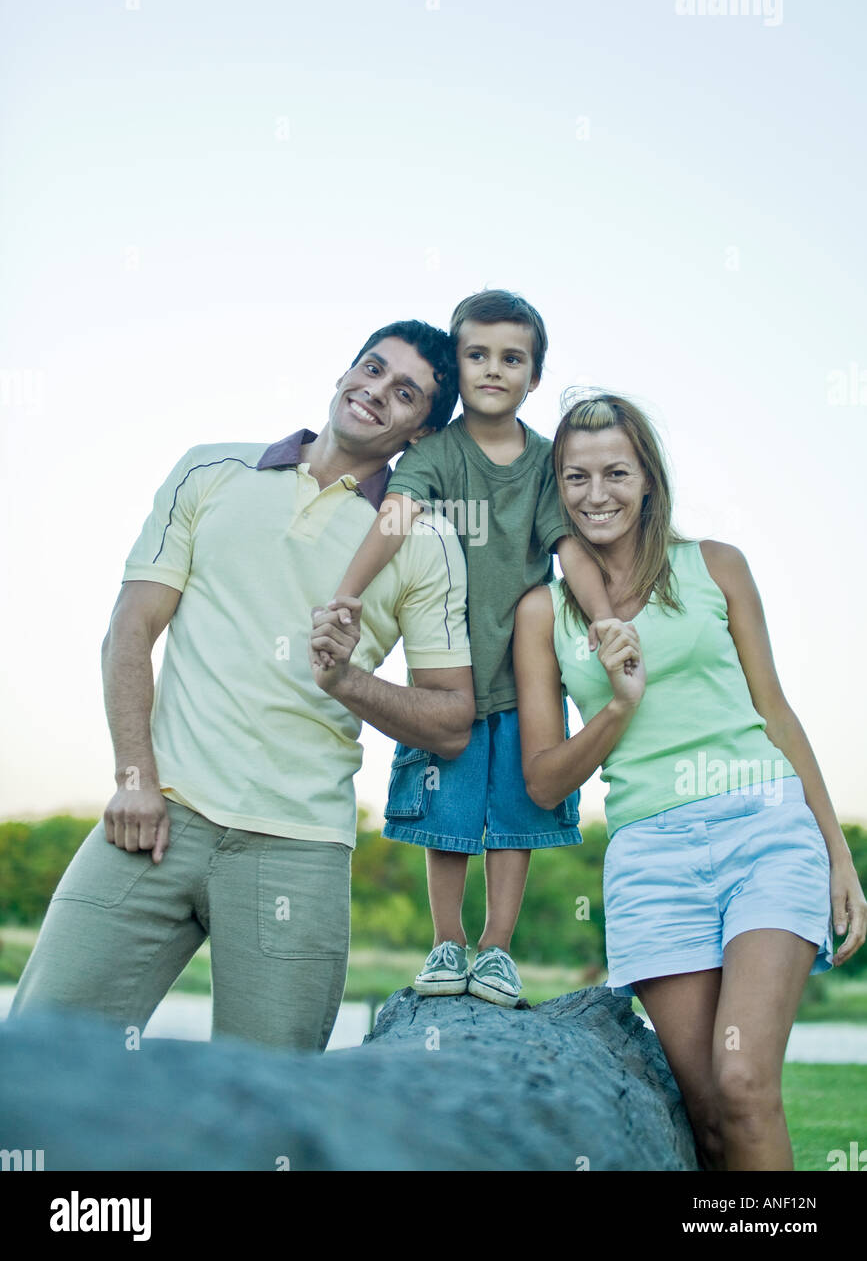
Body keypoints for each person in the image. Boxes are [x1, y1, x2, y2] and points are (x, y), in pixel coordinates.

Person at [11, 320, 476, 1051]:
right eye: (371, 368)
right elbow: (130, 630)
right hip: (152, 820)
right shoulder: (210, 471)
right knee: (35, 1064)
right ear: (344, 371)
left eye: (404, 392)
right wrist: (134, 776)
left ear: (420, 433)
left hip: (297, 850)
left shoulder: (428, 544)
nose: (374, 391)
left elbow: (452, 722)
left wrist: (348, 679)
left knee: (267, 1120)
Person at [513, 391, 866, 1170]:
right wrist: (616, 708)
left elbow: (773, 709)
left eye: (614, 472)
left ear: (646, 480)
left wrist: (835, 853)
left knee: (743, 1083)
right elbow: (542, 782)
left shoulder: (713, 565)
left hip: (764, 829)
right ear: (556, 489)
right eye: (575, 477)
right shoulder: (543, 613)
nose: (595, 493)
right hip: (649, 857)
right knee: (707, 1111)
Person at [321, 291, 615, 1009]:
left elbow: (568, 550)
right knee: (446, 816)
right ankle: (446, 941)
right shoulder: (436, 451)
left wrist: (604, 620)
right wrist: (347, 594)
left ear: (533, 376)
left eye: (510, 358)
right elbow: (396, 515)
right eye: (476, 355)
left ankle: (495, 949)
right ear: (457, 363)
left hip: (523, 674)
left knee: (513, 815)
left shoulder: (545, 463)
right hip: (442, 671)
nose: (492, 370)